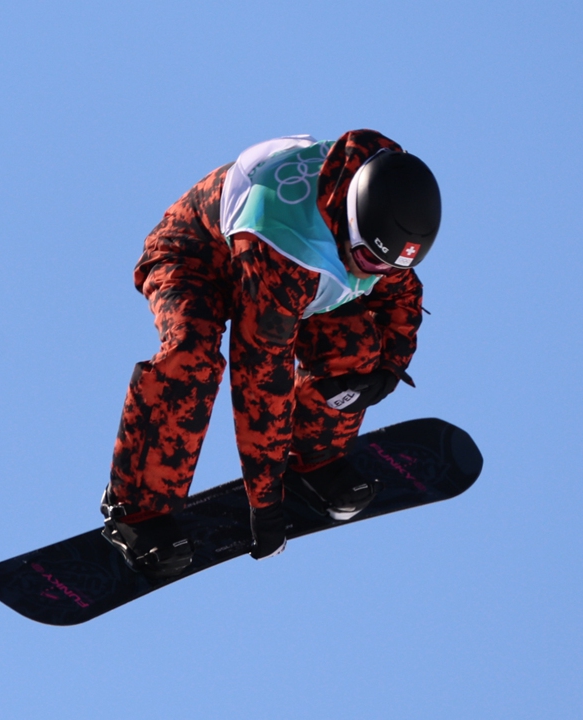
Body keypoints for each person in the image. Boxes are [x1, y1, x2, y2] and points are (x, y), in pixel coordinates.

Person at [98, 130, 442, 576]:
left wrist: (391, 367)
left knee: (357, 346)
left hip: (299, 283)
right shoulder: (285, 244)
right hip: (195, 258)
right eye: (365, 257)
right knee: (193, 358)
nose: (369, 271)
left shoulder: (378, 217)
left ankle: (316, 455)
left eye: (385, 266)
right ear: (347, 221)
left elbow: (400, 295)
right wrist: (264, 502)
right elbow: (261, 379)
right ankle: (136, 508)